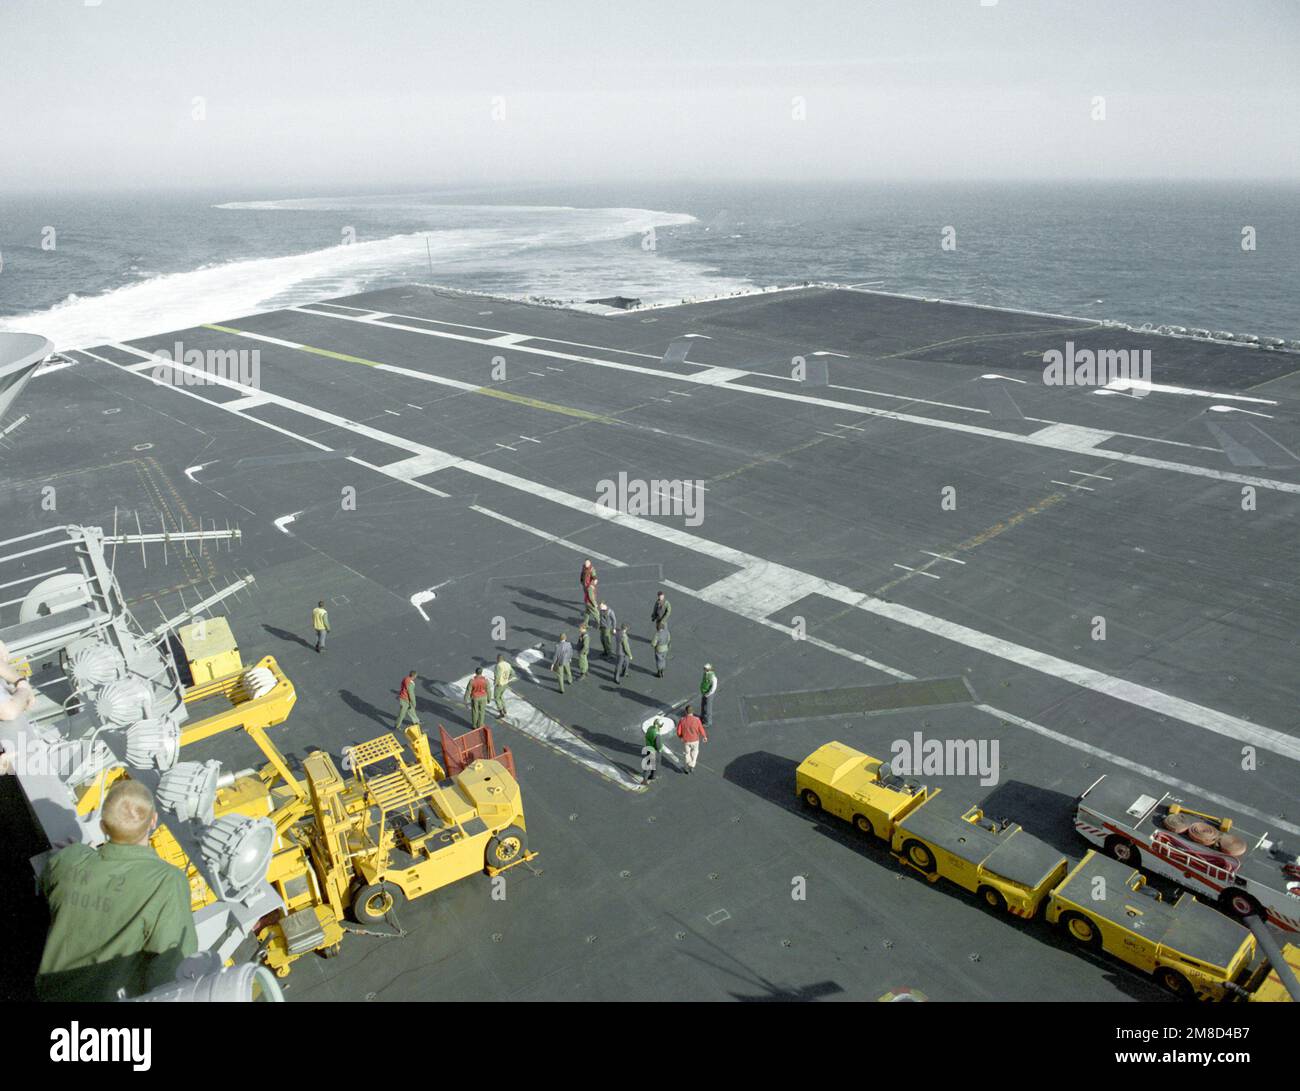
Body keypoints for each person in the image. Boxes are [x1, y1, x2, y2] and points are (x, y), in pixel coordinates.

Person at [37, 779, 197, 1001]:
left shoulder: (70, 860)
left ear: (103, 826)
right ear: (153, 821)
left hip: (52, 993)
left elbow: (56, 874)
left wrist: (80, 853)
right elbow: (172, 965)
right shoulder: (168, 881)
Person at [675, 704, 708, 775]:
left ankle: (687, 767)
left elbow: (678, 731)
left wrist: (681, 737)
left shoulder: (682, 720)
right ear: (692, 712)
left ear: (686, 712)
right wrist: (704, 736)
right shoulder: (697, 720)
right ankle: (692, 765)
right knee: (695, 753)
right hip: (695, 740)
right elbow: (701, 729)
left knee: (687, 754)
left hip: (686, 741)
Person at [642, 717, 667, 784]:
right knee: (655, 764)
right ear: (658, 726)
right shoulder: (657, 734)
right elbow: (658, 745)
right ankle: (651, 777)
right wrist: (659, 750)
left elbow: (646, 736)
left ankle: (647, 777)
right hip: (655, 750)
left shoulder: (650, 728)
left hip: (649, 748)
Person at [493, 654, 514, 719]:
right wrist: (508, 679)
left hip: (500, 684)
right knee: (501, 696)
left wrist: (496, 683)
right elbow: (512, 673)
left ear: (498, 659)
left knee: (496, 697)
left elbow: (498, 675)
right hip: (505, 683)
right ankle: (504, 709)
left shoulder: (498, 666)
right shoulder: (508, 664)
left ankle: (501, 712)